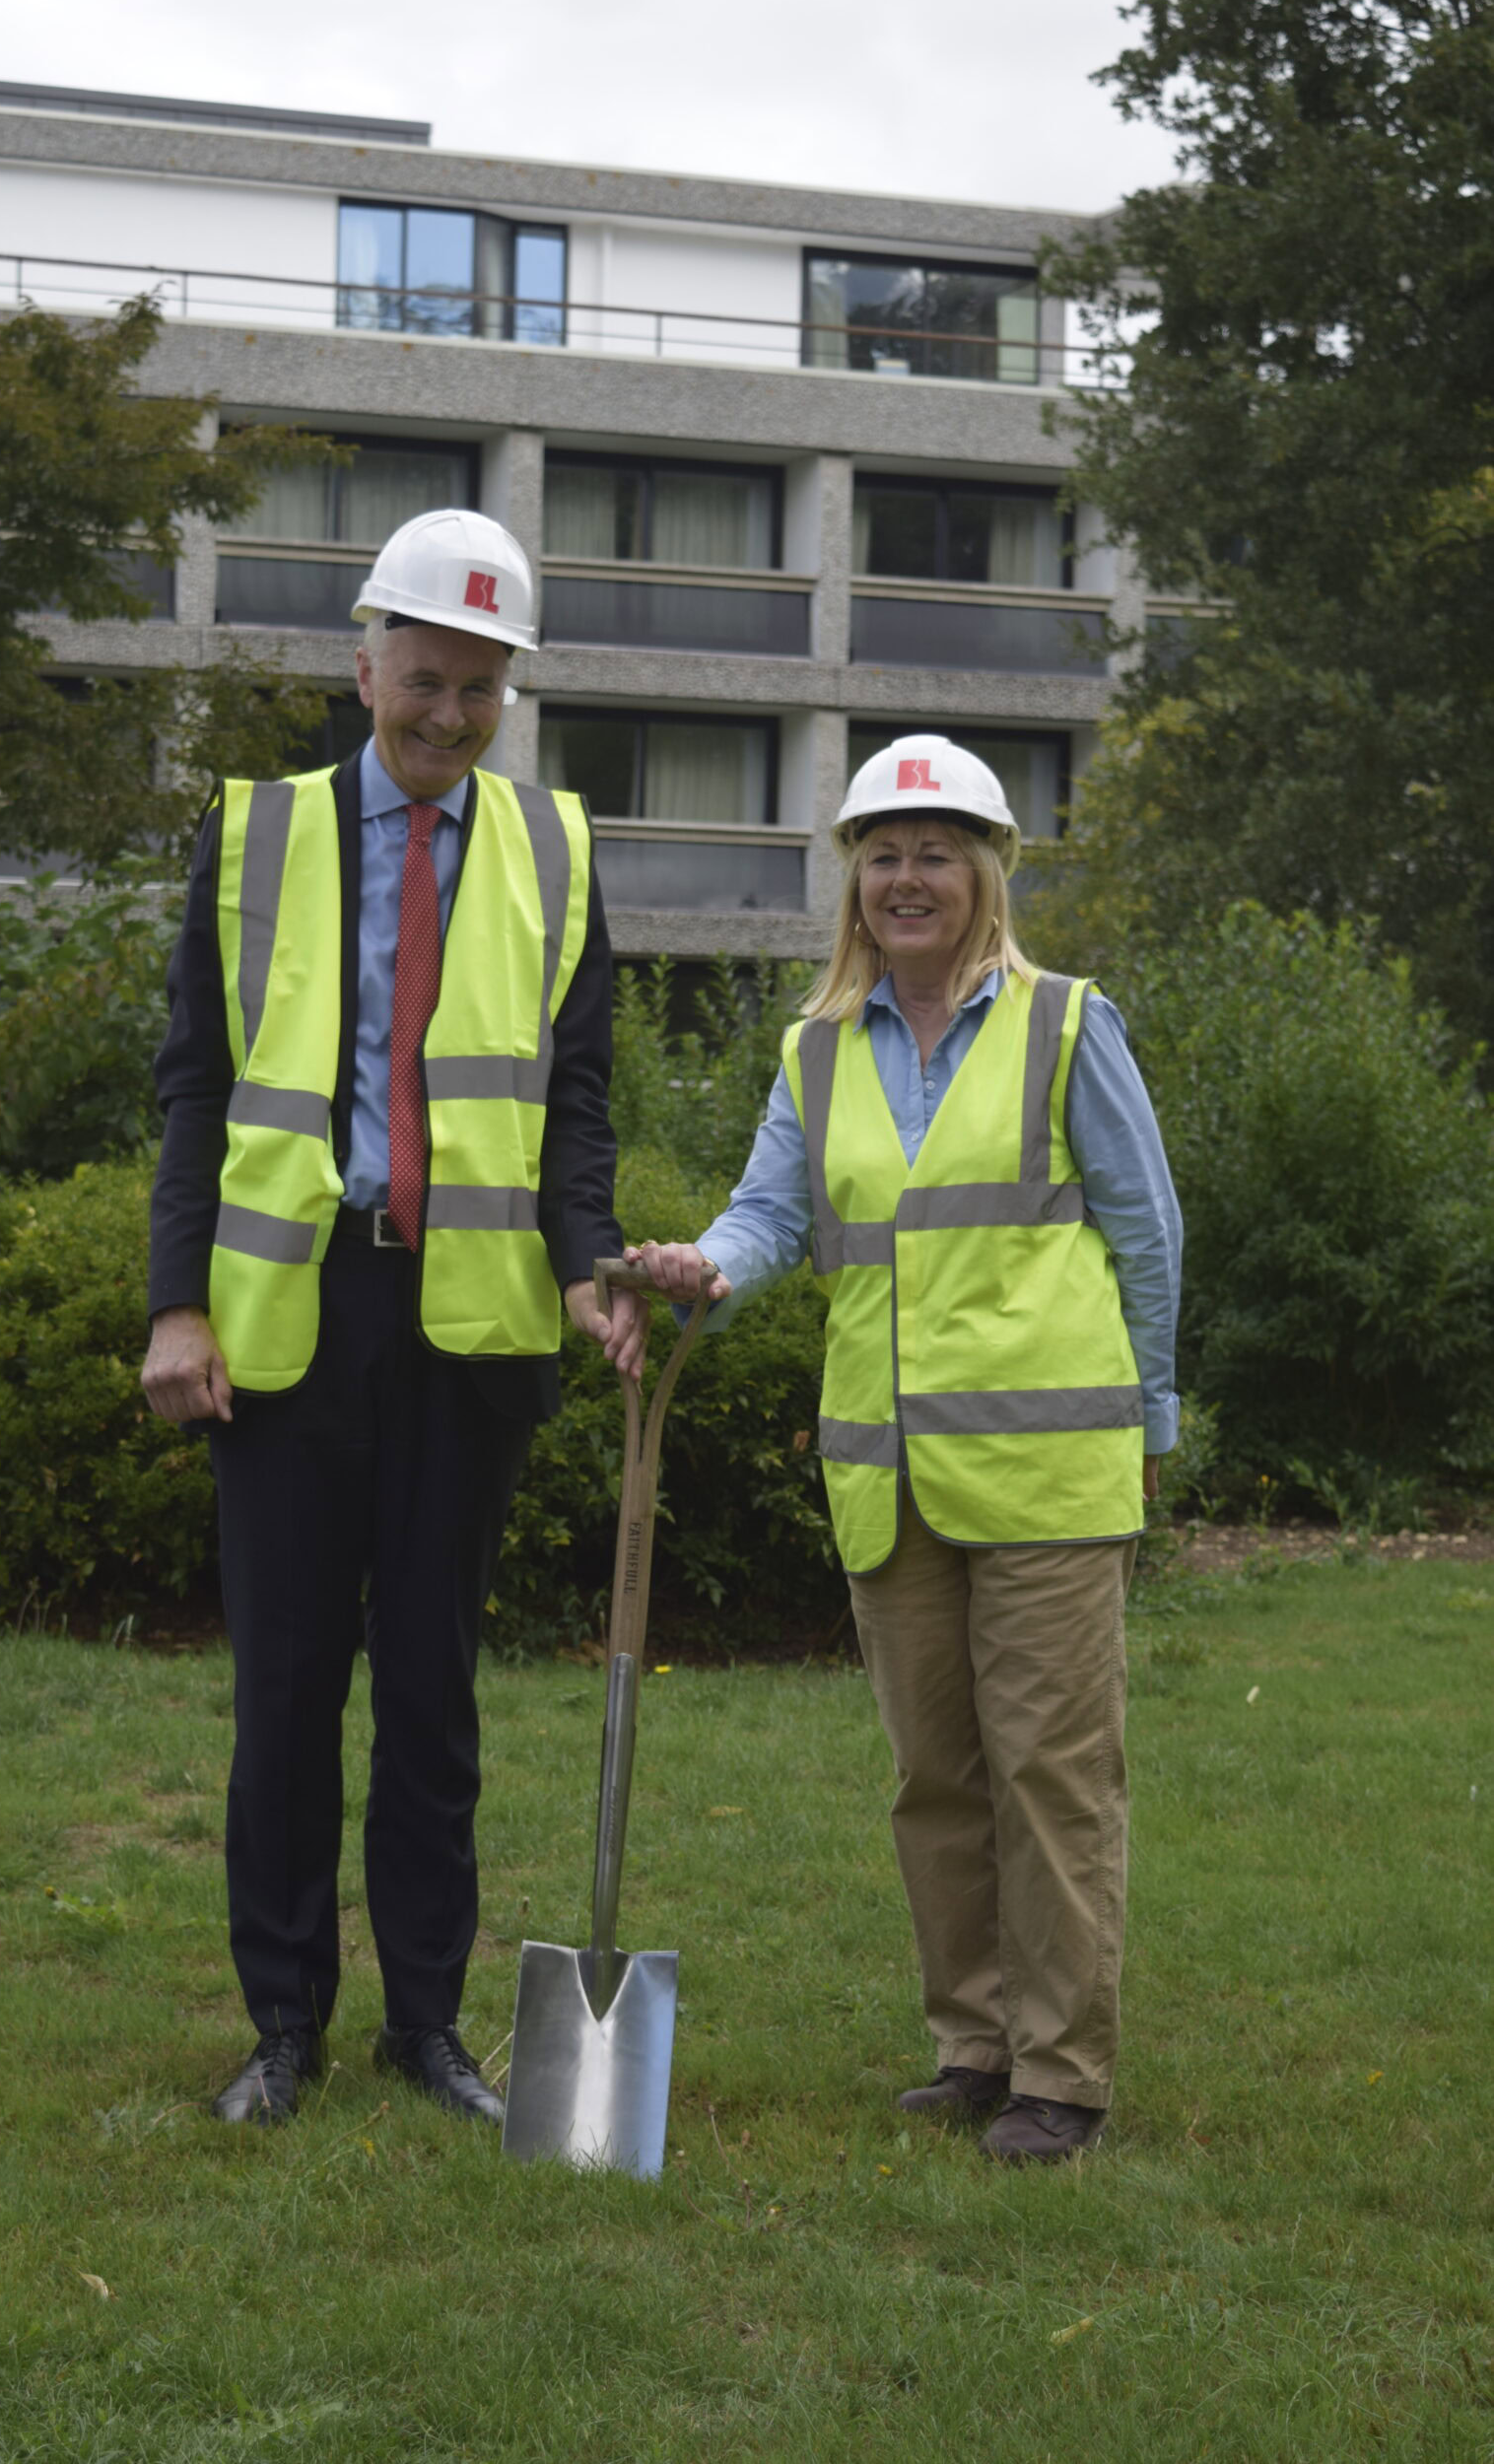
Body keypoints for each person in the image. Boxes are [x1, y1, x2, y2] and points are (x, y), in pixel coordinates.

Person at [141, 509, 645, 2128]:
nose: (450, 714)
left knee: (432, 1693)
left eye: (481, 689)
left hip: (471, 1329)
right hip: (290, 1321)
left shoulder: (556, 851)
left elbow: (574, 1100)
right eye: (425, 679)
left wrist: (589, 1263)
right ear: (365, 667)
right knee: (286, 1694)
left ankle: (426, 2028)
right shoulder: (259, 836)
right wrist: (175, 1307)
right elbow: (195, 1087)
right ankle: (282, 2026)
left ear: (509, 694)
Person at [634, 735, 1181, 2164]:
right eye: (883, 854)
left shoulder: (1067, 1025)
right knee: (934, 1780)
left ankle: (1064, 2074)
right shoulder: (817, 1050)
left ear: (988, 872)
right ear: (854, 881)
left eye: (937, 852)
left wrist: (1155, 1418)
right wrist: (704, 1268)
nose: (908, 877)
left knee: (1052, 1775)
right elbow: (772, 1214)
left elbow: (1147, 1233)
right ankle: (976, 2049)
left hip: (1050, 1471)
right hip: (890, 1476)